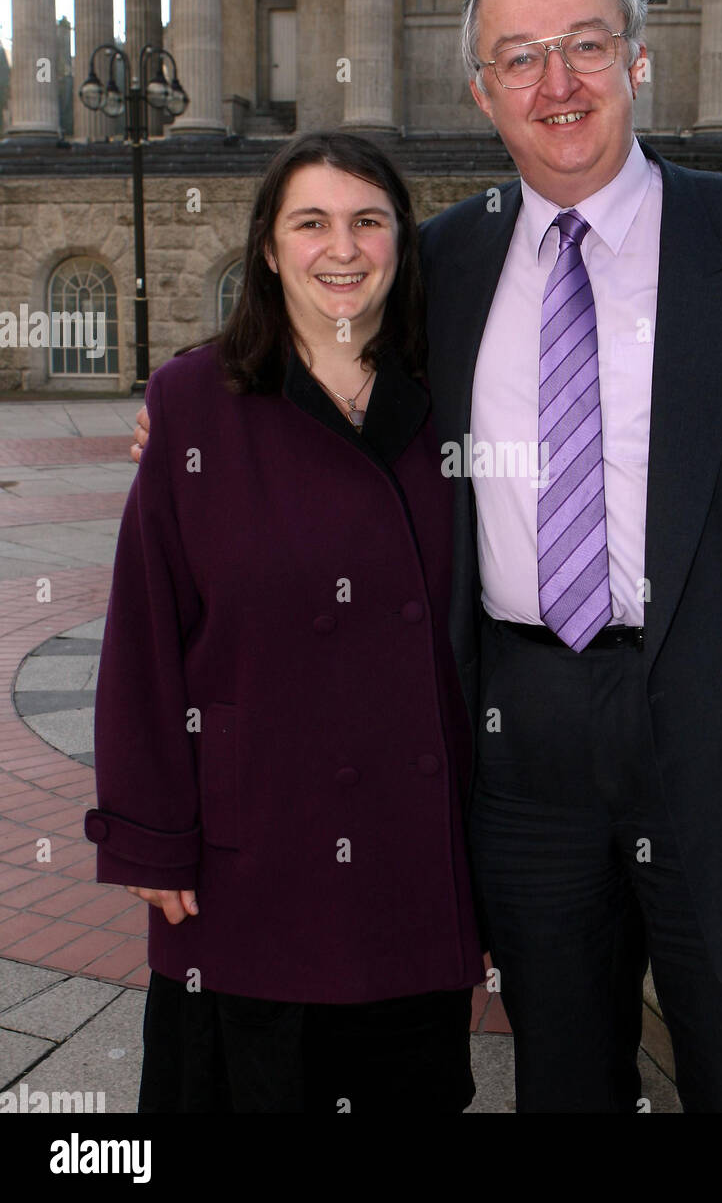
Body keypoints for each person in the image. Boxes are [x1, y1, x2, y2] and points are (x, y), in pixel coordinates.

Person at [133, 0, 722, 1115]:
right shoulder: (442, 261)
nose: (556, 84)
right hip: (520, 745)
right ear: (482, 89)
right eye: (520, 57)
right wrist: (192, 399)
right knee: (560, 1078)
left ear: (639, 60)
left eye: (584, 47)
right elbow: (314, 346)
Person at [89, 131, 484, 1113]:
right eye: (310, 222)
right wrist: (148, 836)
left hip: (408, 843)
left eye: (367, 222)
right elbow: (145, 634)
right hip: (250, 842)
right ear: (268, 248)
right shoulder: (194, 401)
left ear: (402, 242)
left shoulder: (461, 400)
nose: (340, 248)